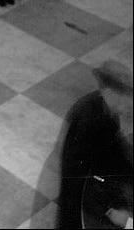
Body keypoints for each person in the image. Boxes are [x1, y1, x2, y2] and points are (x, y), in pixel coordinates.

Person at [56, 60, 133, 230]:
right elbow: (76, 174)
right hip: (82, 196)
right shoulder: (90, 118)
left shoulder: (101, 108)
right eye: (126, 99)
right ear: (111, 93)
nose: (128, 107)